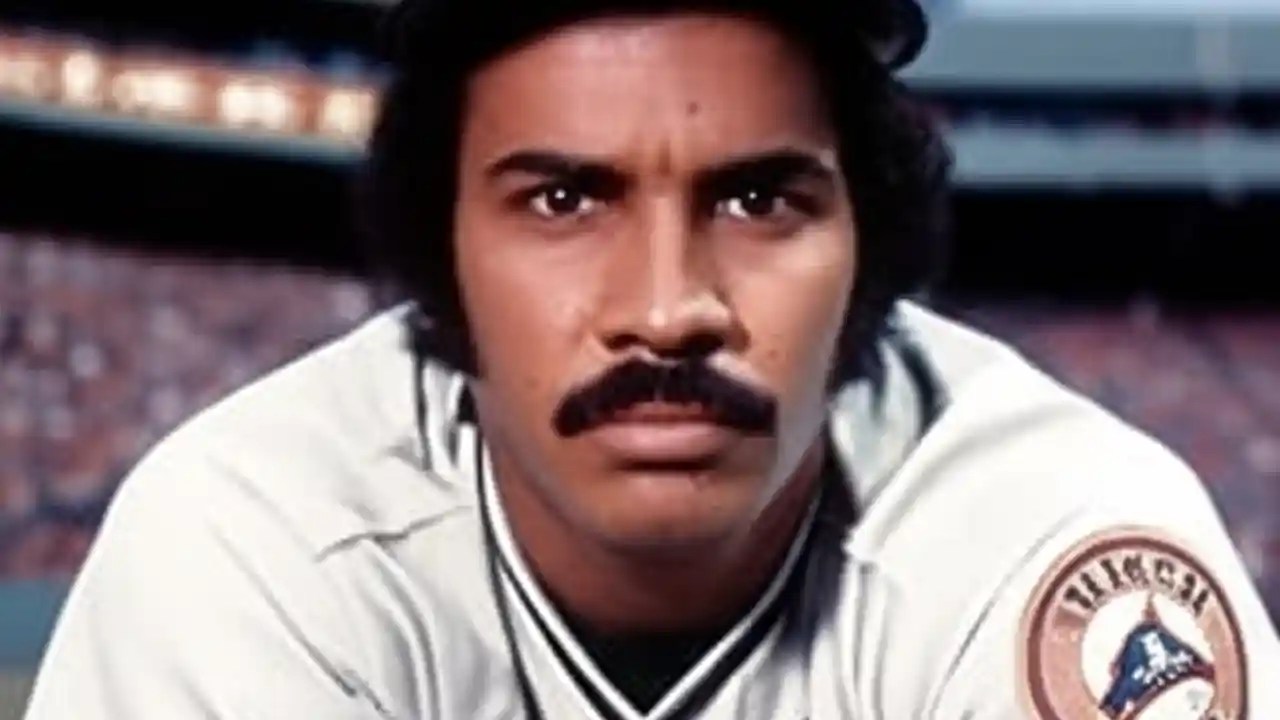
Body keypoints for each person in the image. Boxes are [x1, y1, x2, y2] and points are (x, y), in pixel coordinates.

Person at [23, 0, 1280, 717]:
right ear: (437, 253)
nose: (669, 307)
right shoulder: (251, 541)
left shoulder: (1054, 541)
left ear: (869, 246)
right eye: (565, 202)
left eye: (757, 201)